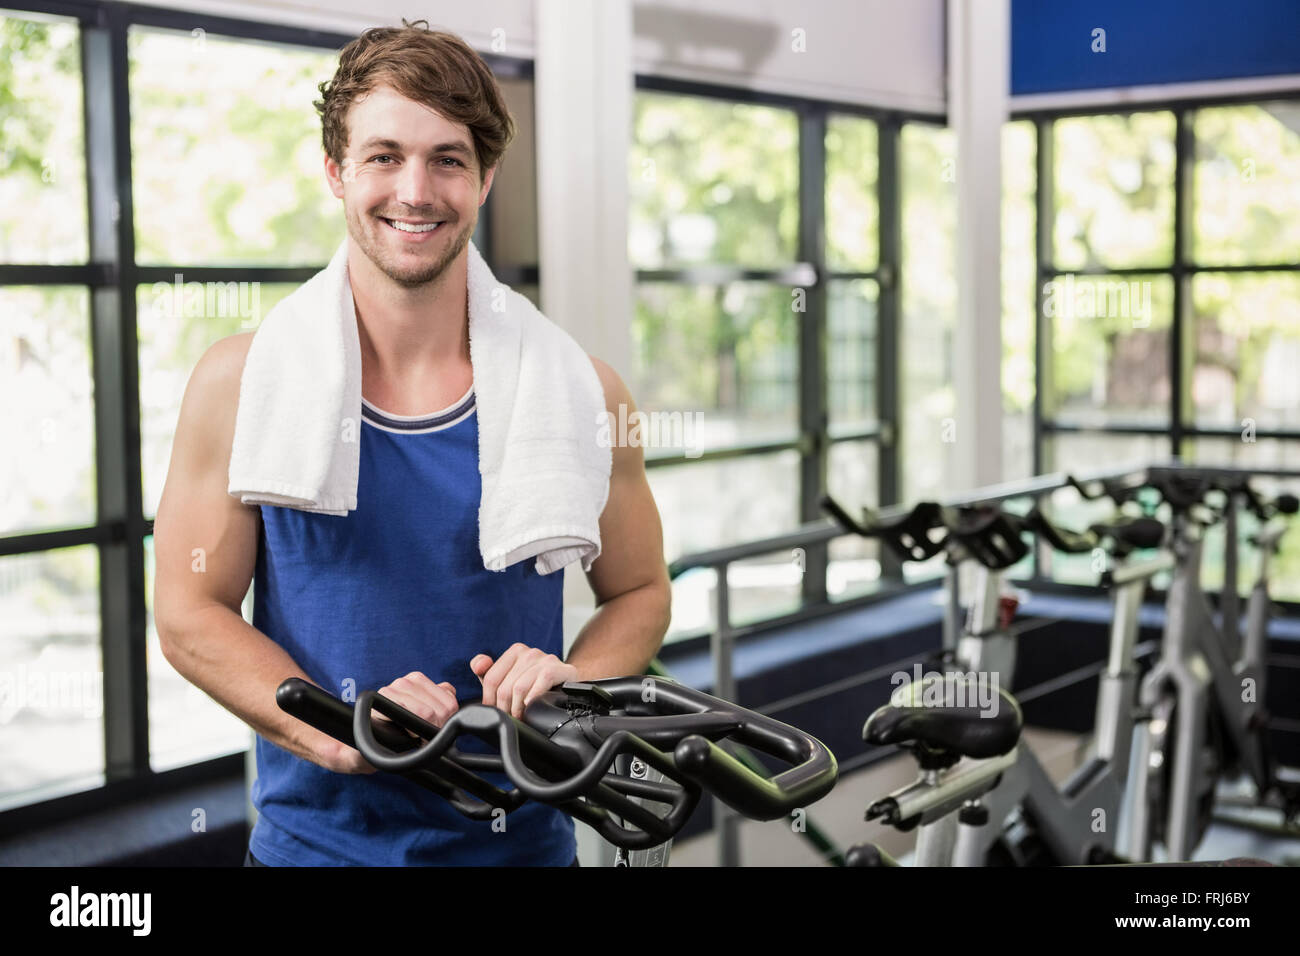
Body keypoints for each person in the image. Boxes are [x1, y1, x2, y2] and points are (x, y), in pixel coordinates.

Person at [151, 20, 672, 866]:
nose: (416, 190)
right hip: (313, 853)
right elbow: (188, 613)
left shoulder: (585, 390)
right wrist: (339, 728)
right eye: (384, 155)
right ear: (336, 172)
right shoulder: (240, 384)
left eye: (448, 159)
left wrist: (573, 689)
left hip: (527, 847)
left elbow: (641, 588)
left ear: (485, 177)